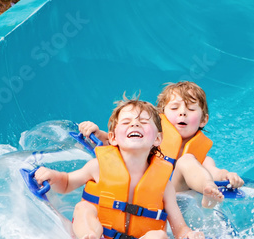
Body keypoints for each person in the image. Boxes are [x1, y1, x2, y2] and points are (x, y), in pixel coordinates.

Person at [34, 98, 205, 239]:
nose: (135, 125)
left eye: (143, 122)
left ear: (157, 138)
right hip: (100, 236)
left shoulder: (164, 185)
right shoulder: (97, 166)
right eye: (126, 122)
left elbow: (179, 228)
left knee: (159, 237)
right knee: (83, 208)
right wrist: (53, 176)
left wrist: (190, 236)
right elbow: (67, 183)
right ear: (113, 137)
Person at [79, 81, 243, 207]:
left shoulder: (201, 159)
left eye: (191, 109)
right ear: (161, 115)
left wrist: (227, 176)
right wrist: (95, 132)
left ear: (203, 120)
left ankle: (208, 190)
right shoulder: (151, 139)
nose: (182, 113)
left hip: (176, 201)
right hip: (146, 196)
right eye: (174, 108)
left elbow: (214, 172)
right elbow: (118, 142)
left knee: (187, 160)